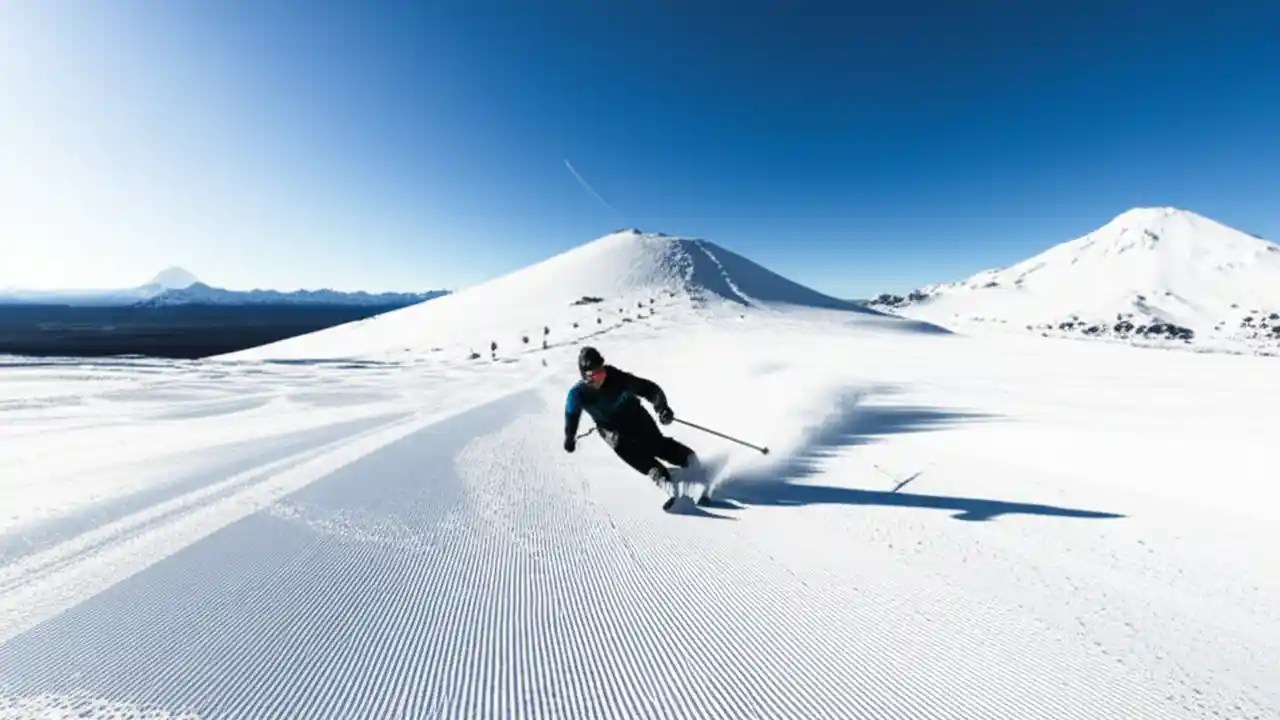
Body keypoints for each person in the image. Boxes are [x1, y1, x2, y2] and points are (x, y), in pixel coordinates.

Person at [563, 346, 697, 488]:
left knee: (656, 444)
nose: (602, 377)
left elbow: (648, 388)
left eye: (602, 371)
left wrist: (661, 407)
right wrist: (570, 437)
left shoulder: (615, 377)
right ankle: (660, 476)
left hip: (635, 416)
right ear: (586, 377)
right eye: (597, 375)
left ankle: (690, 460)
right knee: (628, 450)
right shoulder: (577, 394)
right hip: (611, 428)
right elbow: (571, 417)